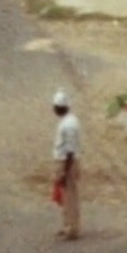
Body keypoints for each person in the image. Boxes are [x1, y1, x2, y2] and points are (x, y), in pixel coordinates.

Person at [51, 90, 82, 240]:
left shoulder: (68, 125)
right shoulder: (70, 120)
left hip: (67, 163)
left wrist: (64, 172)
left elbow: (70, 151)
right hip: (66, 161)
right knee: (66, 196)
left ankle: (72, 229)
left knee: (70, 197)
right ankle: (67, 225)